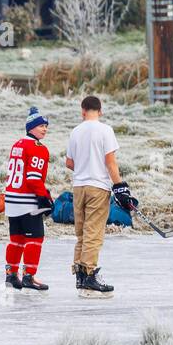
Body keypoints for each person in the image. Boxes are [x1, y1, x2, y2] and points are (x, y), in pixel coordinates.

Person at [64, 94, 133, 297]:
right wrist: (120, 186)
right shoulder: (105, 130)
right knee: (94, 232)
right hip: (98, 187)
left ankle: (80, 275)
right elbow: (110, 162)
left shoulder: (75, 131)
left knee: (82, 233)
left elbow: (69, 163)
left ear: (82, 111)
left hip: (78, 187)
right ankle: (89, 276)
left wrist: (84, 166)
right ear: (100, 111)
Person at [3, 106, 56, 291]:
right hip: (27, 202)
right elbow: (33, 178)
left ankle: (11, 274)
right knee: (35, 239)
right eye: (40, 125)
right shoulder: (38, 148)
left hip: (11, 199)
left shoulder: (17, 144)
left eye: (46, 126)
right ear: (30, 127)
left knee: (16, 239)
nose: (44, 129)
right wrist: (45, 198)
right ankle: (29, 276)